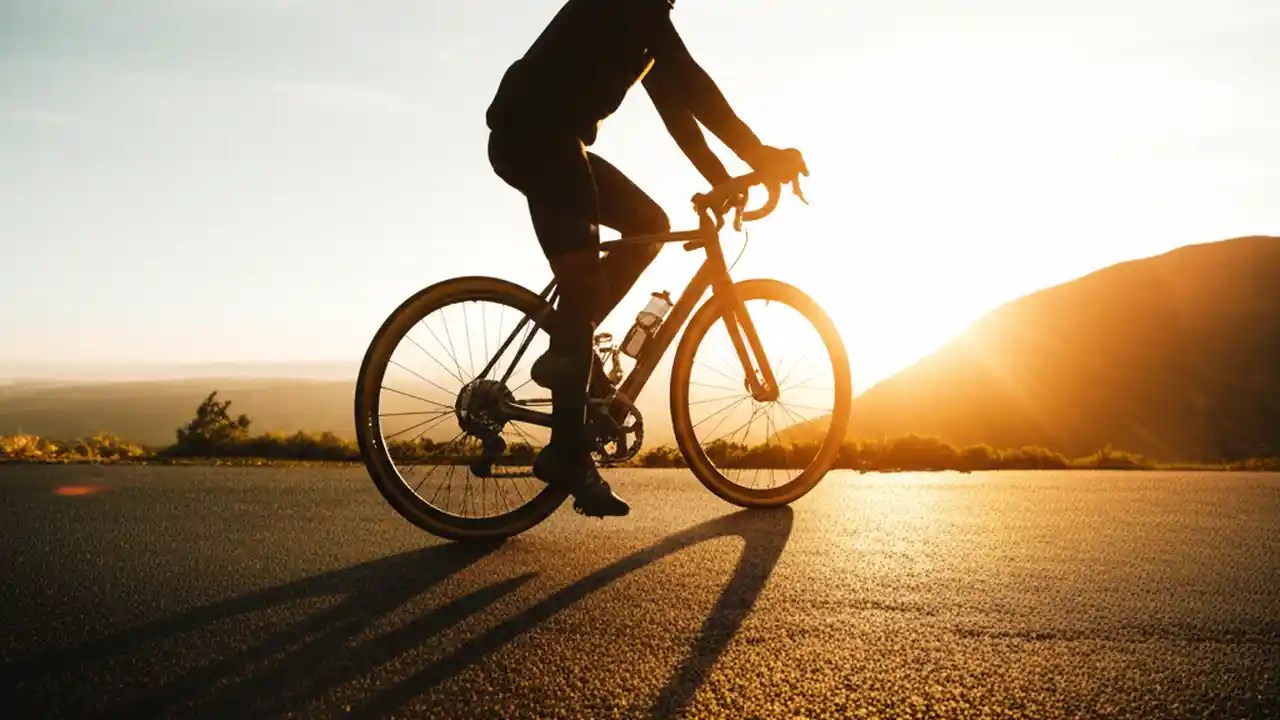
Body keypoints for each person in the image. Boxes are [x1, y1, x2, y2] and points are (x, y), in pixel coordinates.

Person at [485, 0, 805, 518]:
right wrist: (760, 156)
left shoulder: (647, 25)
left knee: (649, 225)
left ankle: (569, 343)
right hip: (538, 139)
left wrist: (721, 178)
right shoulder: (635, 6)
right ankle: (568, 444)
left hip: (550, 141)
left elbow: (677, 107)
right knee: (585, 282)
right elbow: (695, 85)